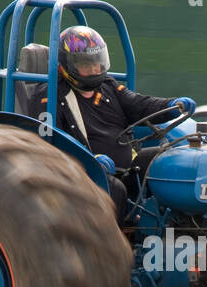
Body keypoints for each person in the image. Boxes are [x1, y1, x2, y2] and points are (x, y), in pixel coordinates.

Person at [35, 26, 195, 220]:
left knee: (166, 161)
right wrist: (90, 161)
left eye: (98, 62)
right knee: (115, 189)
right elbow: (50, 146)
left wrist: (172, 105)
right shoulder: (49, 96)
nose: (95, 69)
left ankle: (168, 226)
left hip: (125, 170)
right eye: (87, 64)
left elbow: (139, 104)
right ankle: (112, 246)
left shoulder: (108, 86)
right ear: (66, 65)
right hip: (82, 175)